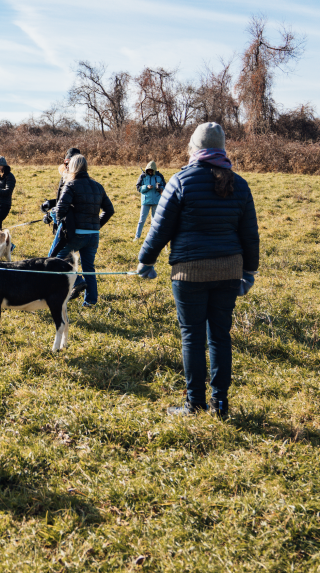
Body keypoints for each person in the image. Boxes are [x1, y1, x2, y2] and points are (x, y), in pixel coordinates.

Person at [138, 123, 259, 419]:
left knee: (192, 336)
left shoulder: (180, 181)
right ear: (222, 149)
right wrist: (249, 271)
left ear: (194, 148)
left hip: (188, 272)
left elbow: (160, 227)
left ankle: (194, 404)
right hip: (229, 271)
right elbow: (250, 234)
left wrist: (146, 261)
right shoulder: (240, 184)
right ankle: (220, 405)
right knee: (220, 336)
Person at [54, 154, 114, 307]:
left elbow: (60, 209)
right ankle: (91, 301)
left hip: (77, 234)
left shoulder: (71, 185)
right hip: (93, 235)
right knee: (89, 268)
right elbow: (109, 210)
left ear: (72, 167)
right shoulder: (98, 186)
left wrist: (64, 227)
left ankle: (78, 281)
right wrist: (96, 226)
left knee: (57, 261)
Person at [44, 147, 81, 257]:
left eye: (70, 163)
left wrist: (56, 215)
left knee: (57, 257)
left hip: (69, 224)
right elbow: (61, 199)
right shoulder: (64, 177)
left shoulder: (77, 181)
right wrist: (50, 205)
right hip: (61, 220)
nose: (67, 166)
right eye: (66, 163)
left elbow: (71, 204)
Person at [134, 160, 165, 241]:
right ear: (147, 170)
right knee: (142, 220)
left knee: (155, 221)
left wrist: (161, 188)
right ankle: (137, 237)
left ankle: (153, 237)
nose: (150, 172)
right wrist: (146, 187)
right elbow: (138, 188)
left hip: (156, 201)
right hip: (145, 201)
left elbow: (165, 187)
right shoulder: (142, 176)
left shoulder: (159, 176)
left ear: (154, 170)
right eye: (149, 170)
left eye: (152, 171)